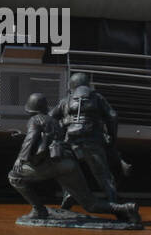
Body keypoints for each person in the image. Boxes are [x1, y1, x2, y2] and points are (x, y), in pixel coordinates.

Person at [8, 93, 140, 224]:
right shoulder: (55, 122)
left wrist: (21, 158)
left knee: (14, 177)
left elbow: (32, 138)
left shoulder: (34, 119)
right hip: (69, 163)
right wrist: (23, 136)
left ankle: (39, 210)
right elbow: (46, 139)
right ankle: (126, 208)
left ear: (31, 109)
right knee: (90, 203)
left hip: (52, 164)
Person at [51, 72, 131, 204]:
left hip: (70, 141)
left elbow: (50, 117)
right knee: (104, 176)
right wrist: (112, 138)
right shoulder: (97, 98)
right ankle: (115, 204)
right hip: (93, 141)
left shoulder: (66, 100)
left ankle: (68, 194)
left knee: (64, 170)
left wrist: (58, 132)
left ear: (72, 86)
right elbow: (113, 116)